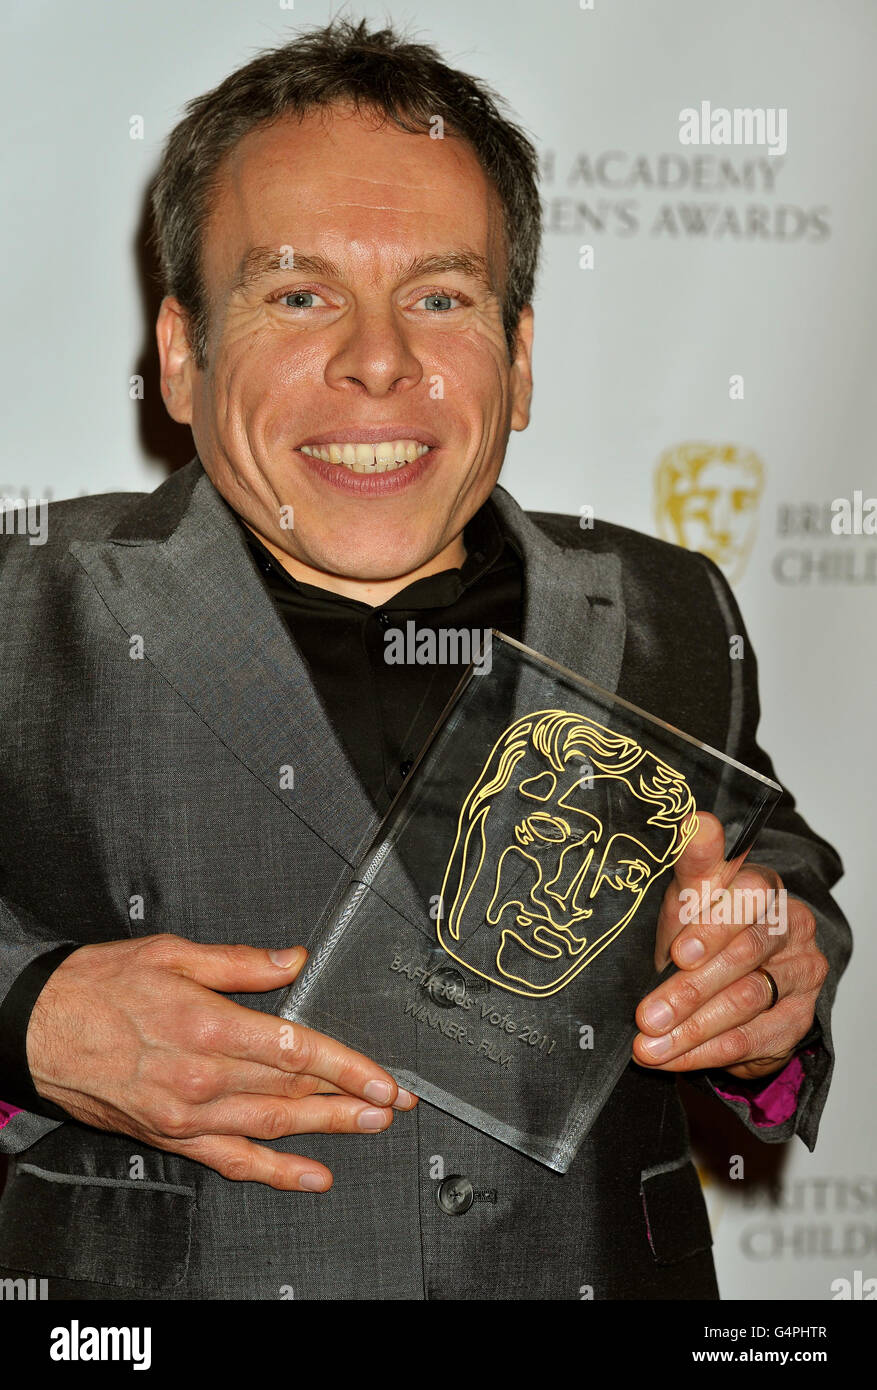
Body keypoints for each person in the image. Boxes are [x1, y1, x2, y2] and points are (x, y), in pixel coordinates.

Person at [0, 18, 849, 1300]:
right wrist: (29, 1020)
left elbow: (769, 869)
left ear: (515, 360)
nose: (379, 360)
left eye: (441, 298)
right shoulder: (20, 601)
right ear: (181, 354)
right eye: (299, 295)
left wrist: (771, 972)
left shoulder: (667, 607)